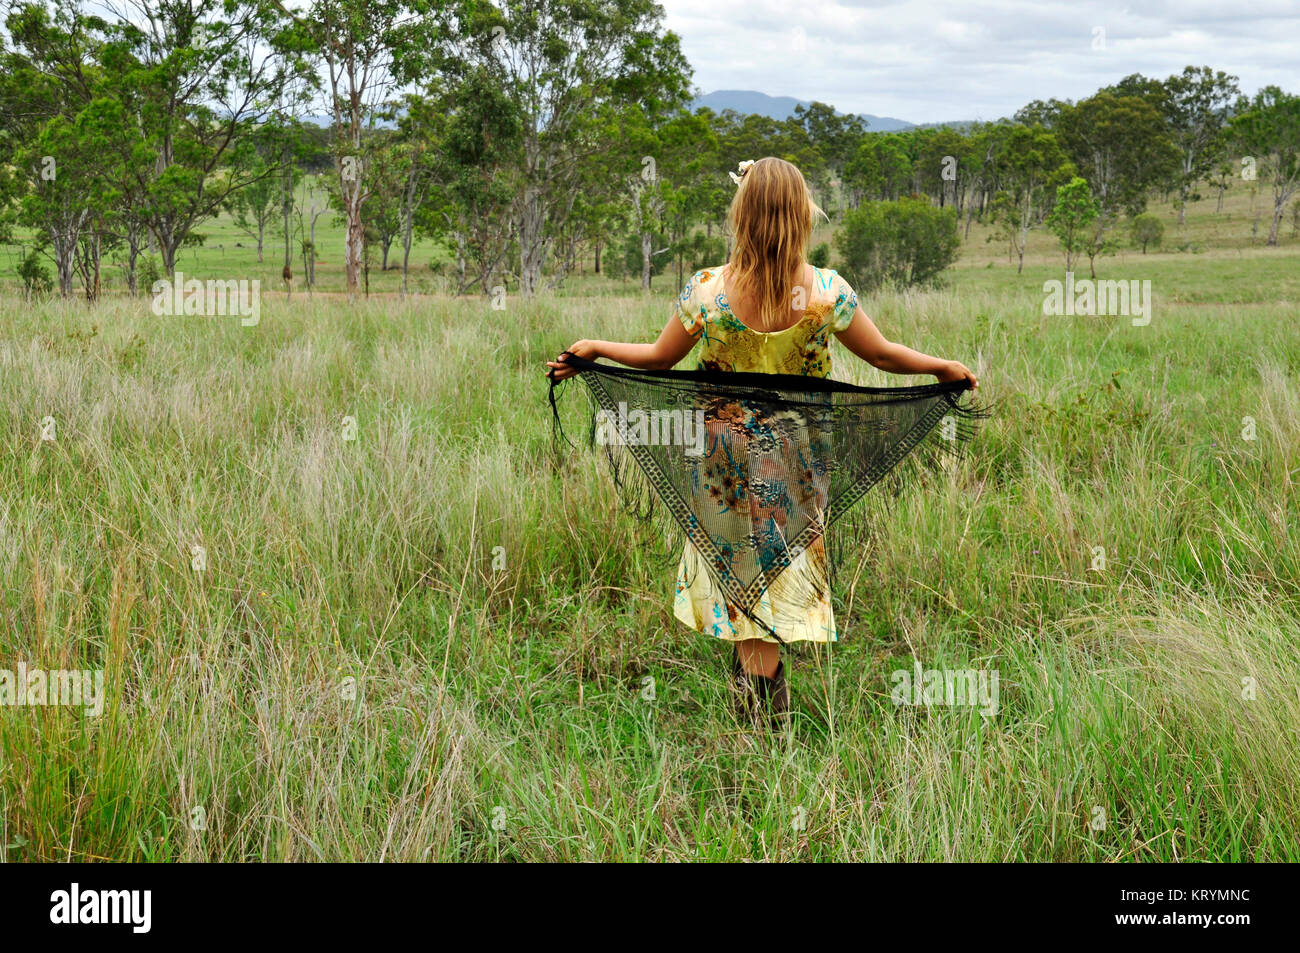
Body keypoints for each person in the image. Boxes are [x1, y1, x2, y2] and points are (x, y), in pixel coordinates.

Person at [546, 156, 977, 725]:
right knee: (769, 584)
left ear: (741, 215)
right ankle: (760, 726)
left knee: (744, 582)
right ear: (801, 216)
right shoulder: (825, 293)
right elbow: (881, 355)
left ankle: (757, 728)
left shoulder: (707, 292)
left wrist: (596, 347)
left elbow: (657, 358)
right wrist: (941, 367)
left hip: (722, 463)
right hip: (796, 466)